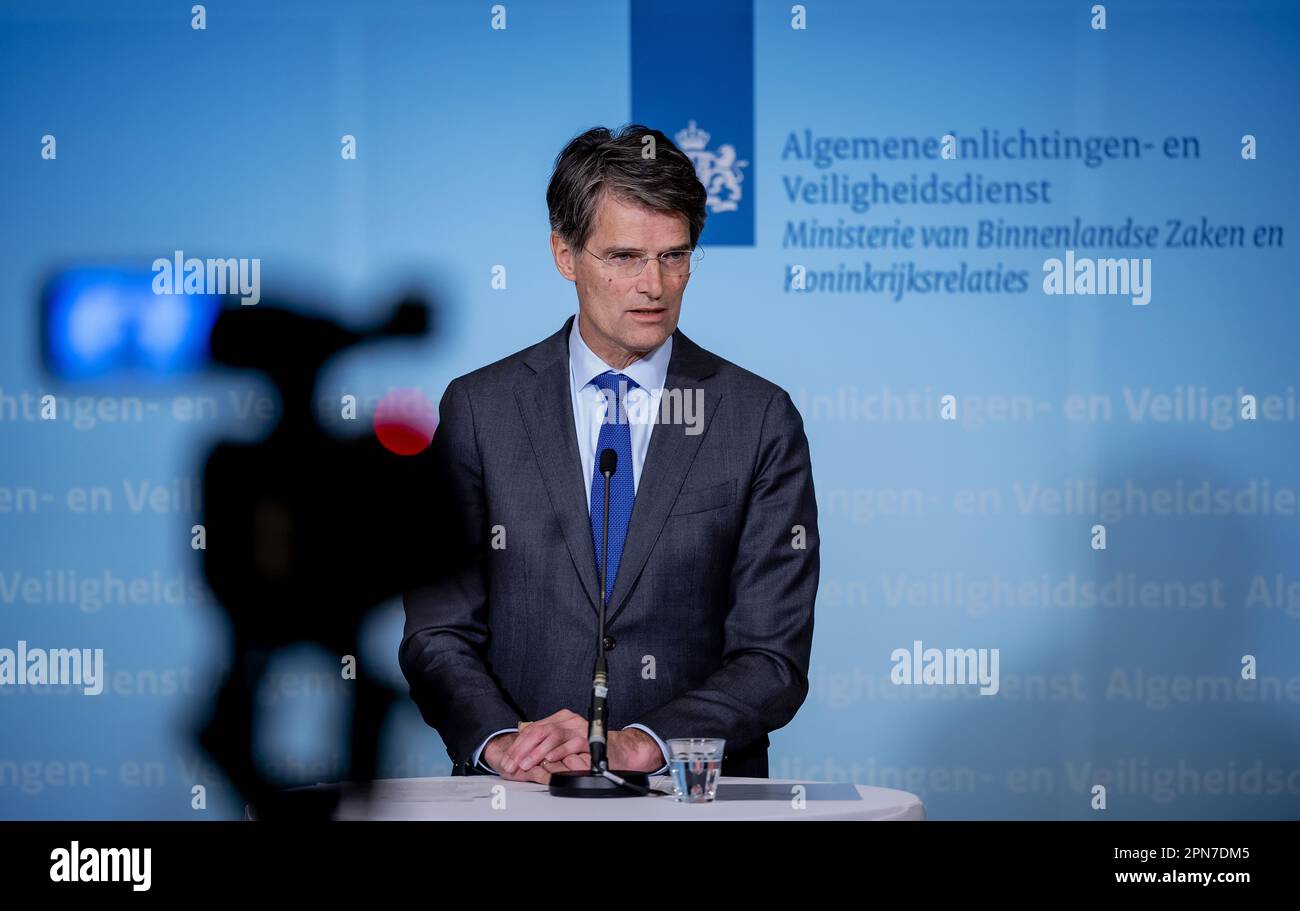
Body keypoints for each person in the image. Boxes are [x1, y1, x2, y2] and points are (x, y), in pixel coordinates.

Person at [400, 124, 819, 783]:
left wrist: (641, 741)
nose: (654, 284)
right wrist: (506, 742)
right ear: (564, 254)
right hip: (521, 798)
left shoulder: (758, 418)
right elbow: (437, 632)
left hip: (690, 799)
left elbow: (772, 659)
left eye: (675, 256)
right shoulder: (480, 410)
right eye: (624, 256)